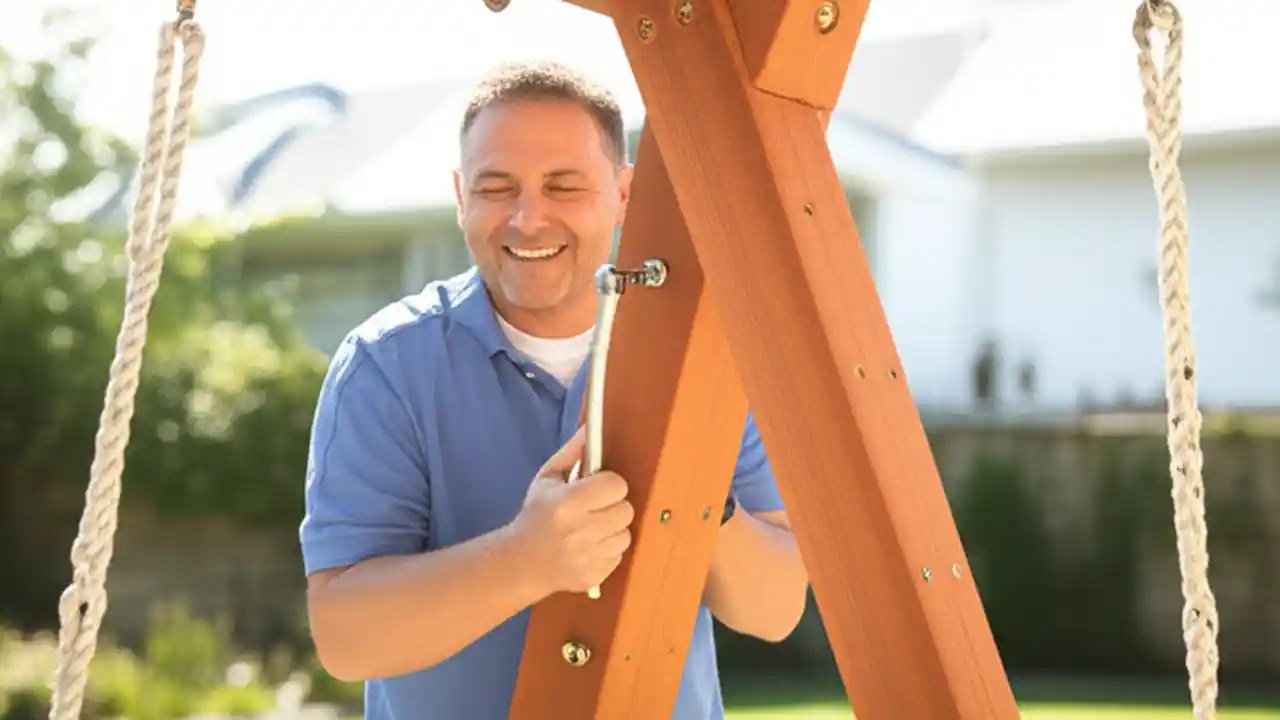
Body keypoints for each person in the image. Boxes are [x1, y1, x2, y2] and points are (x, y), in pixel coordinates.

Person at [299, 59, 809, 720]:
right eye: (496, 186)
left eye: (563, 185)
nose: (527, 219)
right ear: (461, 196)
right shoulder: (384, 367)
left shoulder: (709, 360)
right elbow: (345, 638)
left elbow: (775, 609)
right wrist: (525, 560)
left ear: (625, 191)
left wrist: (696, 495)